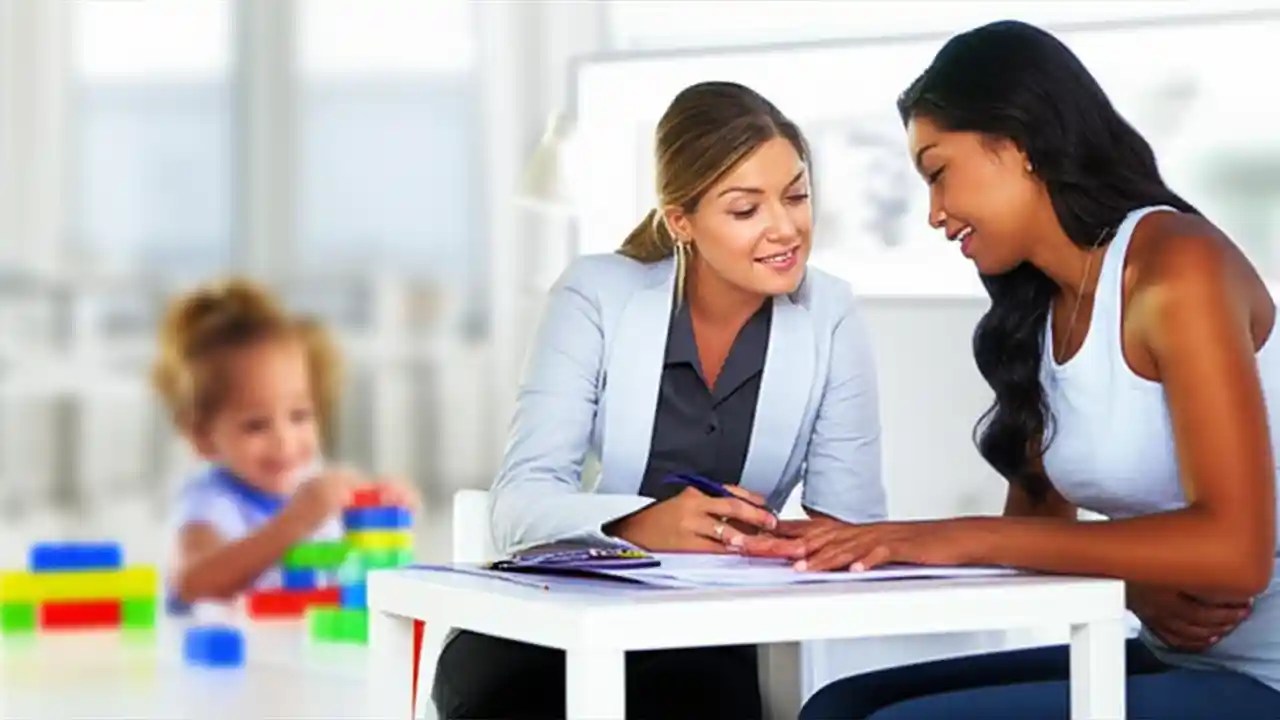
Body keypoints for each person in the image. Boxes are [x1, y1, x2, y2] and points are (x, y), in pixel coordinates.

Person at [738, 20, 1280, 719]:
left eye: (938, 172)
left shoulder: (1176, 266)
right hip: (1182, 657)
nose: (934, 214)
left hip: (1268, 675)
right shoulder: (1039, 313)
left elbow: (1236, 549)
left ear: (1016, 143)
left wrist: (944, 535)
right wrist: (1133, 580)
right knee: (837, 707)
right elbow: (1043, 534)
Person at [431, 81, 887, 719]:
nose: (785, 228)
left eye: (796, 196)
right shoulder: (596, 294)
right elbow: (519, 503)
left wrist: (777, 541)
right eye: (745, 208)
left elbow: (851, 528)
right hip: (550, 629)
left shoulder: (829, 315)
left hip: (705, 639)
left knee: (701, 695)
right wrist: (642, 525)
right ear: (682, 221)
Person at [154, 278, 416, 605]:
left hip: (311, 652)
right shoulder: (210, 501)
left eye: (299, 415)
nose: (285, 440)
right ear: (204, 437)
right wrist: (296, 521)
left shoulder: (316, 488)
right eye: (255, 425)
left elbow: (367, 565)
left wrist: (386, 507)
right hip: (236, 655)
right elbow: (191, 582)